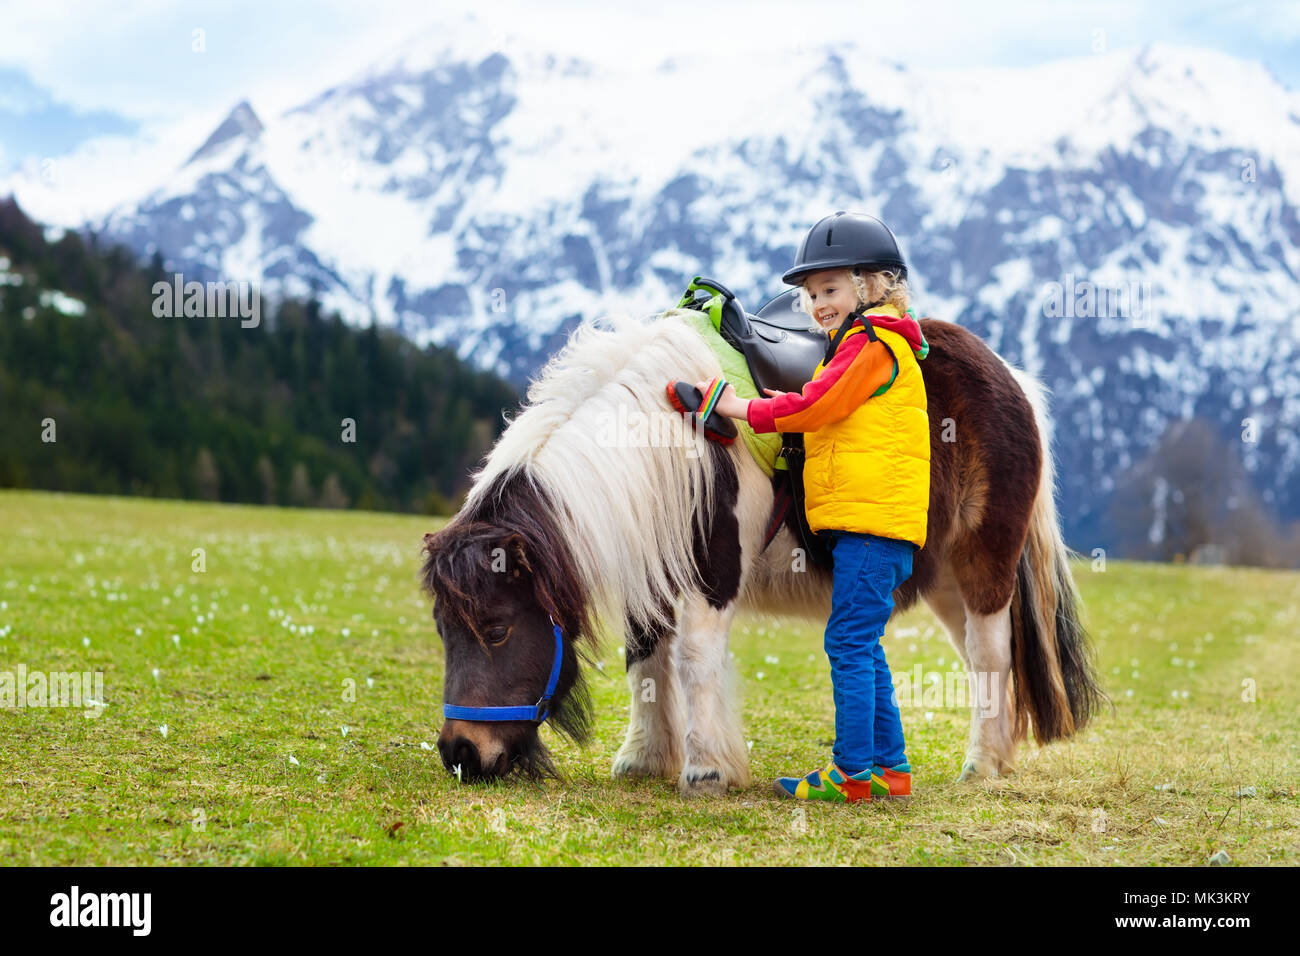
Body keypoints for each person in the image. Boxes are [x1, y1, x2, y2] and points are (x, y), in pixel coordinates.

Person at [694, 211, 930, 802]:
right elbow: (829, 403)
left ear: (873, 284)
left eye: (831, 289)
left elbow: (816, 407)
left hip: (870, 527)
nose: (819, 303)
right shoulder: (867, 342)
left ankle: (851, 773)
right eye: (811, 294)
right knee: (863, 642)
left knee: (848, 643)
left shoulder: (871, 342)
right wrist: (793, 401)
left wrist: (736, 408)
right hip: (882, 526)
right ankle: (890, 770)